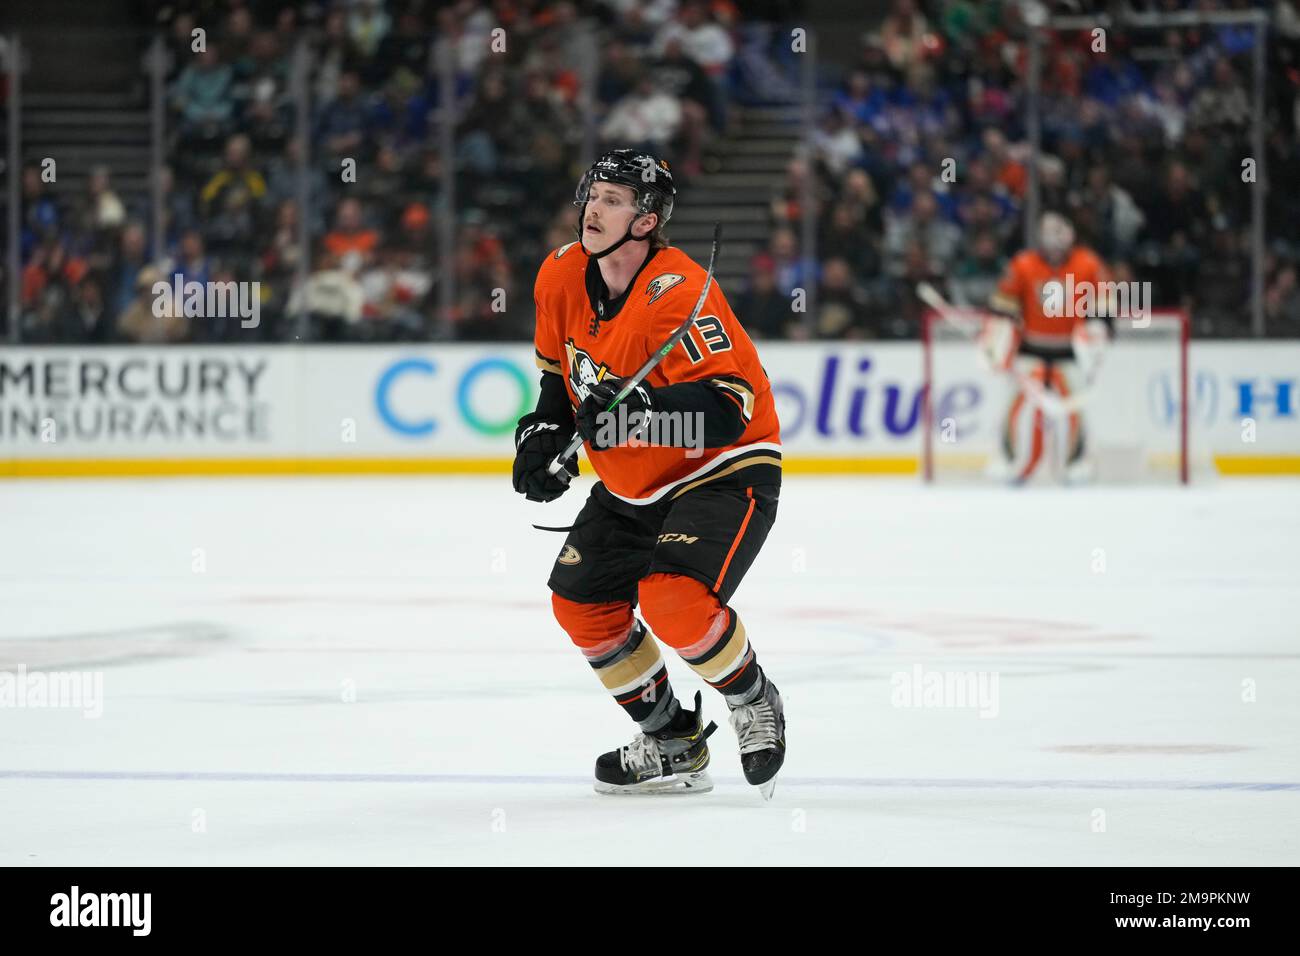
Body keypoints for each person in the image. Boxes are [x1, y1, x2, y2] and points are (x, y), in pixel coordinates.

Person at [512, 149, 786, 797]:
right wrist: (544, 433)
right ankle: (671, 741)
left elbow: (728, 409)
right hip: (635, 479)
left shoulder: (680, 293)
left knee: (674, 599)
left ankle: (752, 697)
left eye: (613, 199)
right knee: (580, 604)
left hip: (722, 467)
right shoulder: (558, 275)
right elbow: (559, 376)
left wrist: (642, 409)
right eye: (593, 194)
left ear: (647, 220)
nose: (594, 209)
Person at [988, 211, 1113, 482]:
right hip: (1030, 349)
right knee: (1014, 405)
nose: (1054, 246)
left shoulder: (1088, 263)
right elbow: (1003, 306)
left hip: (1069, 351)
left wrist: (1099, 328)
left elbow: (1105, 303)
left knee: (1075, 406)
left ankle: (1074, 463)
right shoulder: (1023, 264)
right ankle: (1009, 459)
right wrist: (997, 337)